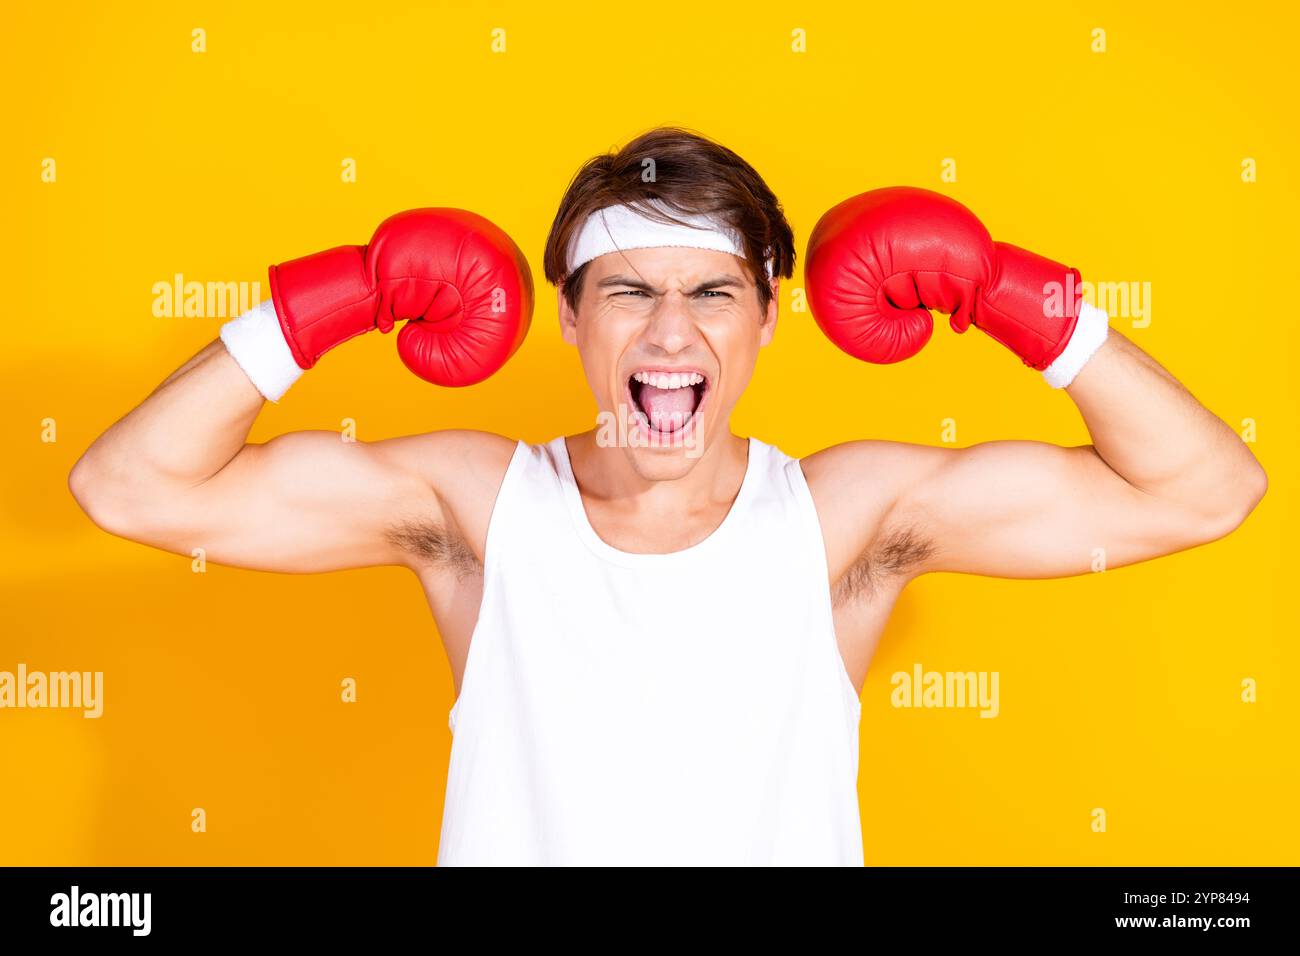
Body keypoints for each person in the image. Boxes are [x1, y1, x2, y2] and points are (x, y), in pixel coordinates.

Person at [68, 127, 1267, 866]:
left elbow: (1207, 488)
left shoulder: (840, 520)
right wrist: (336, 300)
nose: (670, 330)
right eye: (630, 290)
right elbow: (127, 486)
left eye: (711, 293)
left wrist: (1005, 290)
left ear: (766, 319)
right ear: (570, 318)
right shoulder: (482, 508)